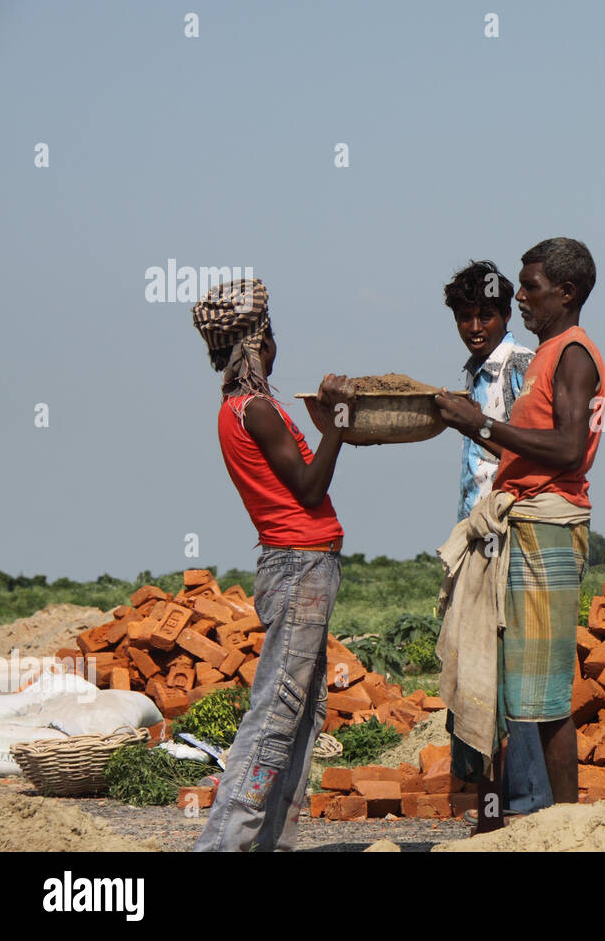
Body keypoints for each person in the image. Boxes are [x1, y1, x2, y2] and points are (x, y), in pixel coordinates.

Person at [433, 237, 605, 834]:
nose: (524, 297)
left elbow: (567, 449)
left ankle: (559, 828)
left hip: (547, 526)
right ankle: (525, 824)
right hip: (526, 521)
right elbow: (523, 446)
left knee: (544, 692)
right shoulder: (550, 353)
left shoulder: (572, 355)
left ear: (567, 293)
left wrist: (480, 420)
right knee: (518, 684)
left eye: (530, 289)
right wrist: (464, 420)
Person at [190, 278, 354, 851]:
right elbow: (310, 489)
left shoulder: (239, 408)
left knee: (302, 715)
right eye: (272, 335)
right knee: (277, 715)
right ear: (256, 342)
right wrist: (336, 422)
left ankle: (267, 843)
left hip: (301, 566)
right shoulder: (255, 409)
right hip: (300, 566)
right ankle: (221, 846)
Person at [440, 259, 549, 819]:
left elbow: (533, 445)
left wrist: (467, 422)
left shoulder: (519, 367)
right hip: (475, 537)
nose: (475, 325)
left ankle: (526, 812)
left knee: (507, 676)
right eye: (465, 315)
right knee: (474, 675)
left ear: (506, 314)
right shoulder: (472, 374)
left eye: (485, 314)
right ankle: (488, 815)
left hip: (509, 535)